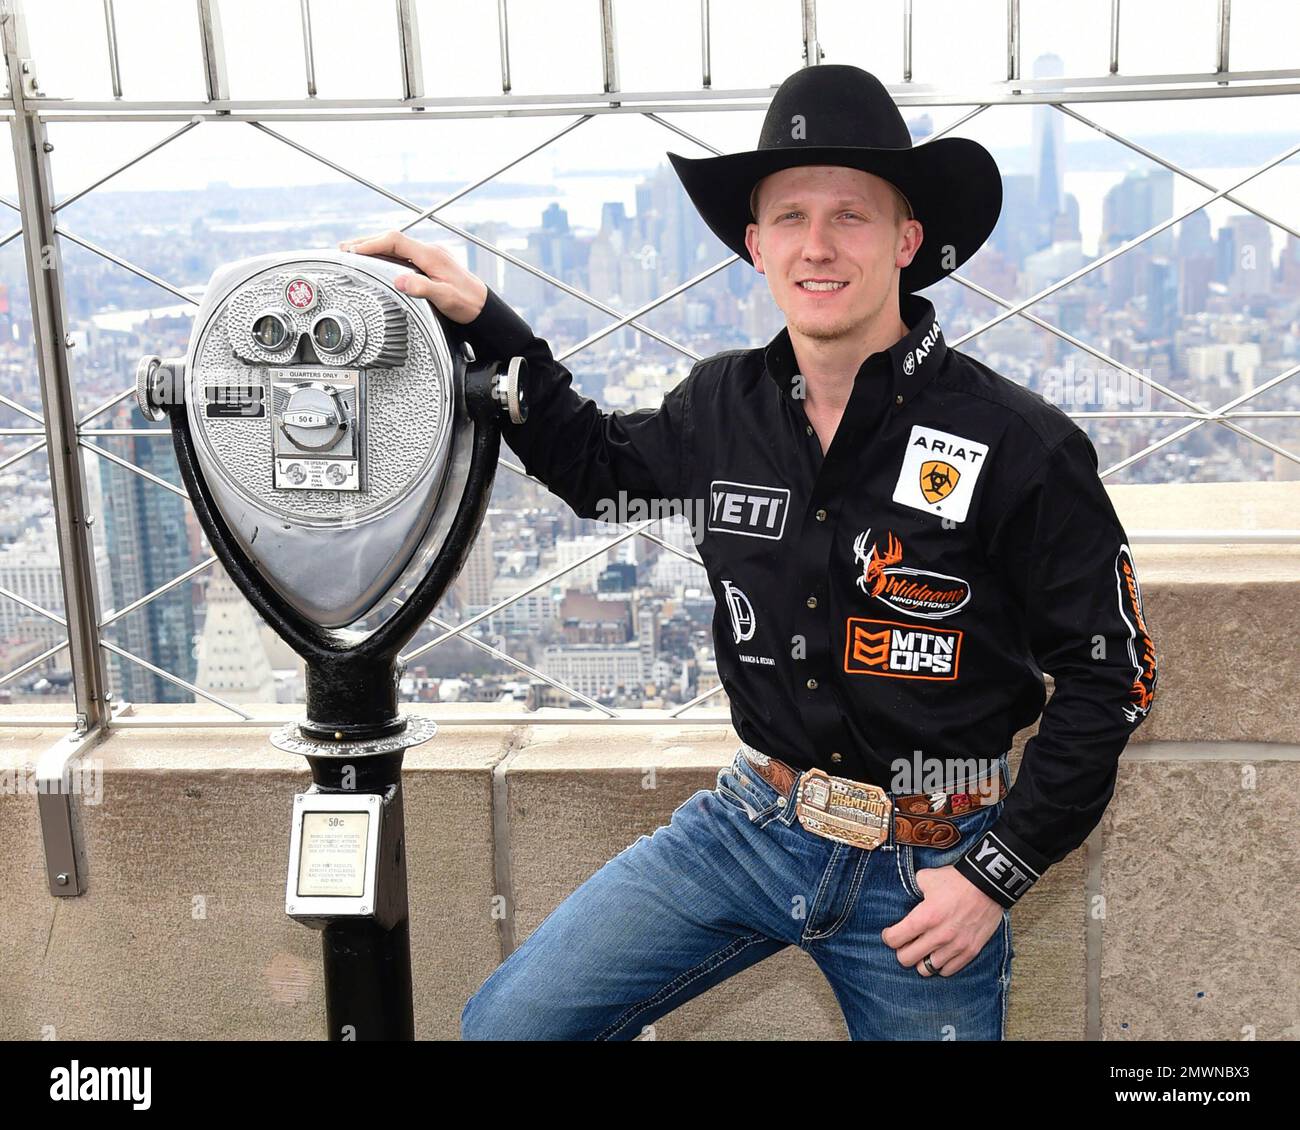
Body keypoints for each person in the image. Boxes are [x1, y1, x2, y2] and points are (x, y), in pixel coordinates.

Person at [340, 64, 1158, 1040]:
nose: (817, 245)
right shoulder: (720, 406)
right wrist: (487, 321)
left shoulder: (1018, 445)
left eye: (850, 215)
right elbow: (597, 468)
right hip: (752, 825)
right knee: (507, 1026)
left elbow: (1111, 679)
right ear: (753, 244)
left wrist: (995, 875)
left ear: (906, 240)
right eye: (790, 217)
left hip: (930, 864)